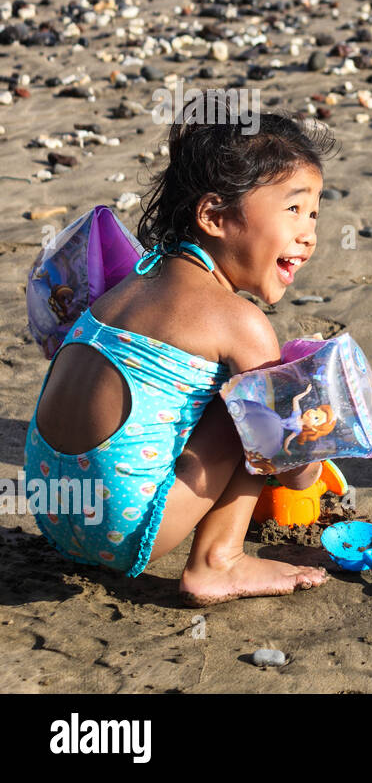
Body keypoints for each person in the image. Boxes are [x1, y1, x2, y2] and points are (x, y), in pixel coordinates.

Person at [24, 102, 335, 604]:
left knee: (229, 395)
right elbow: (287, 461)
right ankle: (218, 562)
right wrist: (316, 453)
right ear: (213, 216)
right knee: (257, 408)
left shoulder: (128, 286)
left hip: (50, 507)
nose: (309, 233)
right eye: (293, 208)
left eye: (316, 213)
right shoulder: (242, 323)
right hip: (121, 529)